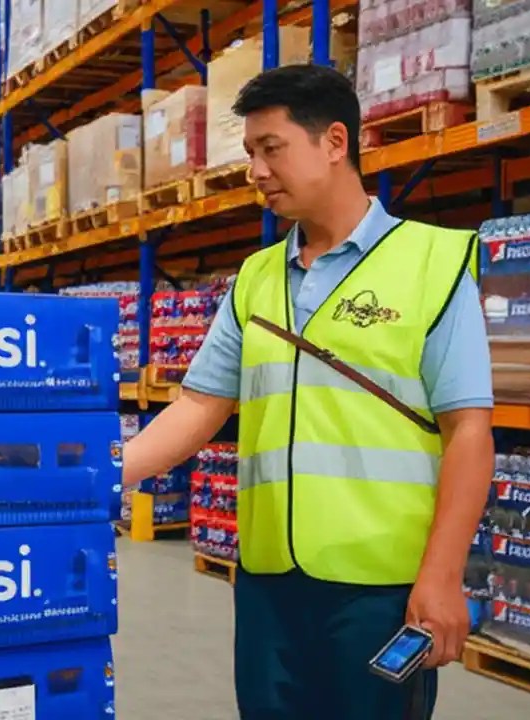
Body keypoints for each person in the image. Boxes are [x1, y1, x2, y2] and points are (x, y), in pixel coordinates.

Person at [122, 63, 495, 719]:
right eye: (250, 154)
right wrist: (104, 473)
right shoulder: (255, 279)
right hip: (268, 582)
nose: (257, 171)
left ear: (334, 142)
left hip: (379, 587)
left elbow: (468, 431)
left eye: (273, 150)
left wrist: (440, 577)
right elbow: (199, 405)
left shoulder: (432, 265)